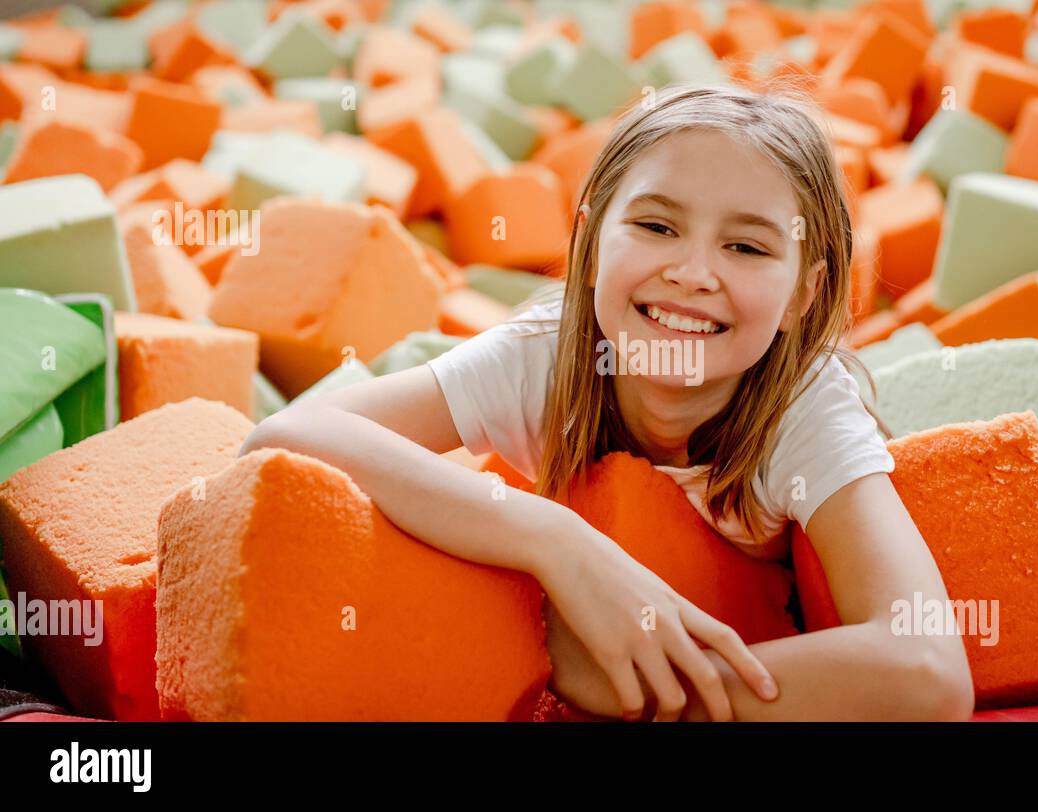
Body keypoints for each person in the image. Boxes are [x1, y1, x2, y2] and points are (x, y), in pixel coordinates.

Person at [242, 85, 974, 722]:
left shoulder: (804, 407)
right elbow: (284, 434)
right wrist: (554, 540)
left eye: (747, 248)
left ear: (803, 296)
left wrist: (645, 684)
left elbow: (929, 672)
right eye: (656, 227)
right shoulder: (549, 352)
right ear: (592, 241)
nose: (692, 273)